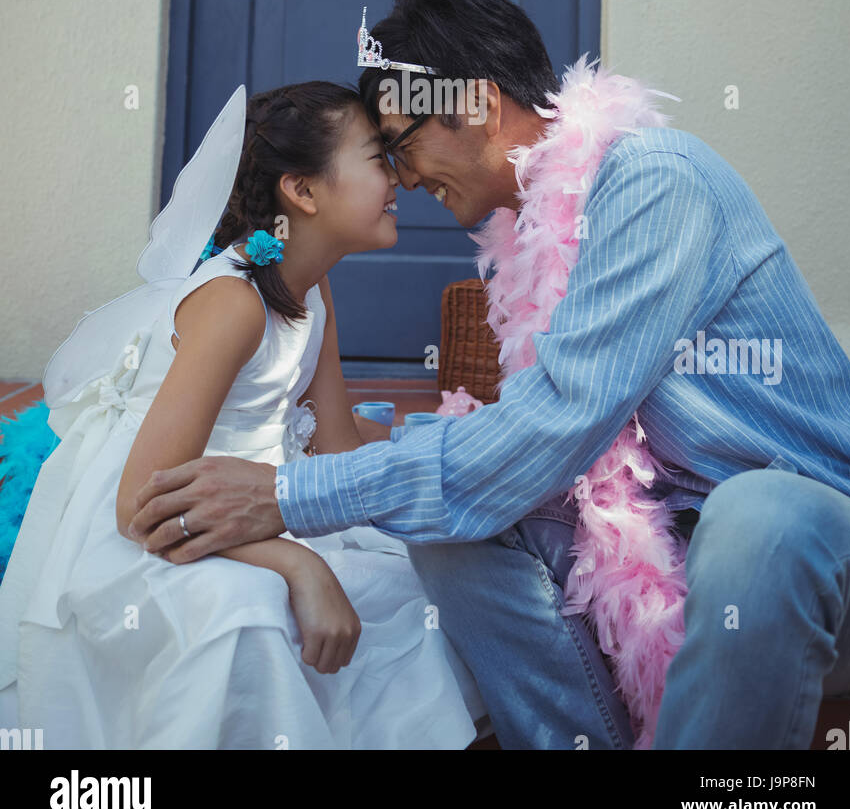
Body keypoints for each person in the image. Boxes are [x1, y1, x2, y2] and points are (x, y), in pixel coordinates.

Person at [129, 0, 850, 750]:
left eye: (401, 143)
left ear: (476, 103)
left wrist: (294, 493)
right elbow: (522, 457)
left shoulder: (655, 183)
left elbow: (550, 430)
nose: (404, 180)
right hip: (682, 535)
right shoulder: (528, 239)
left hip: (824, 558)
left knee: (759, 519)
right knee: (457, 529)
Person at [0, 81, 487, 749]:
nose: (399, 175)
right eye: (378, 159)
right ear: (305, 192)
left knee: (421, 583)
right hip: (160, 530)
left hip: (257, 506)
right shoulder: (233, 305)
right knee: (248, 614)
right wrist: (298, 564)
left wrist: (437, 473)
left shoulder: (312, 288)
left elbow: (337, 449)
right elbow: (139, 507)